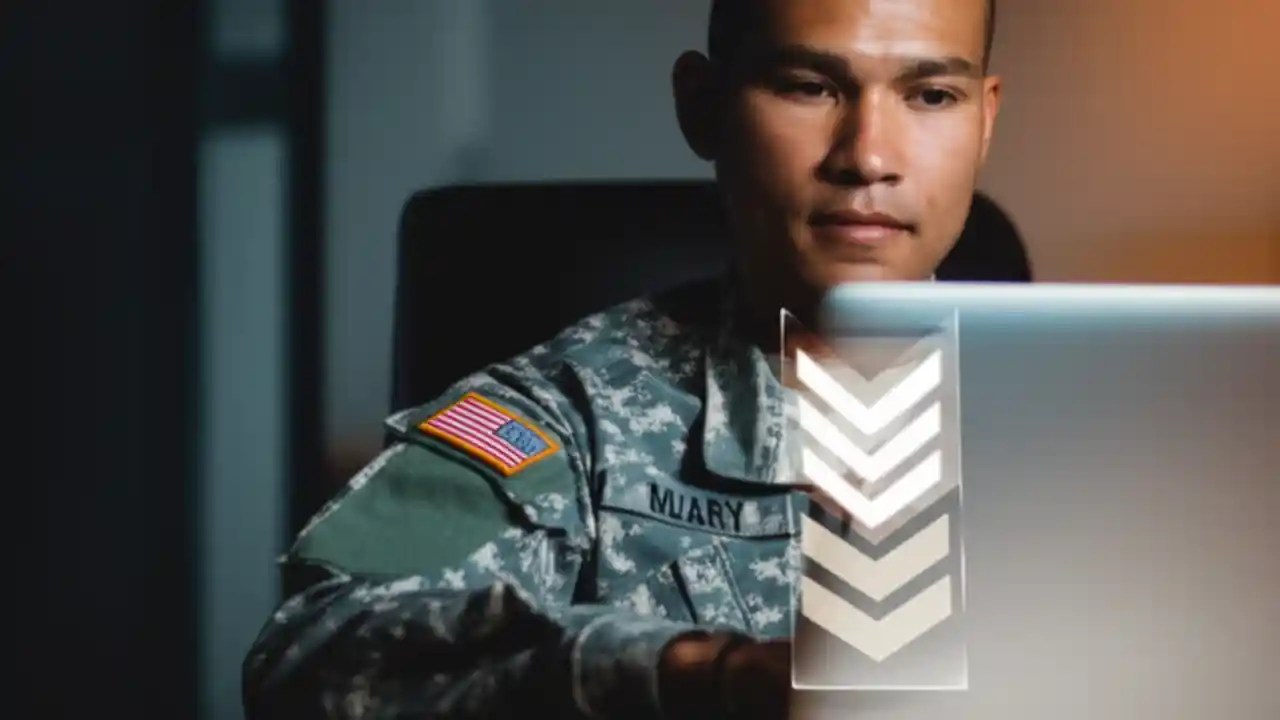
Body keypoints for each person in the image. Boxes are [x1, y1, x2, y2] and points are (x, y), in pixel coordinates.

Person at [241, 0, 1002, 717]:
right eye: (808, 86)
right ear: (703, 107)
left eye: (931, 95)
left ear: (986, 118)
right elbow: (310, 657)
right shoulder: (576, 415)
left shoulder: (1096, 419)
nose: (868, 156)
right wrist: (704, 673)